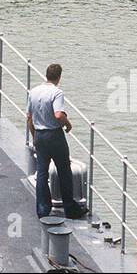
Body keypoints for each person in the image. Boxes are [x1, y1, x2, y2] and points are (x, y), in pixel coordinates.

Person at [26, 64, 85, 220]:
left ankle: (42, 209)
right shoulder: (57, 92)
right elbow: (58, 114)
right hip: (54, 136)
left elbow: (29, 117)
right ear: (59, 77)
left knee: (42, 172)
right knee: (64, 171)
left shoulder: (33, 92)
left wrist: (35, 136)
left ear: (46, 75)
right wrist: (68, 124)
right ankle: (70, 208)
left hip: (39, 134)